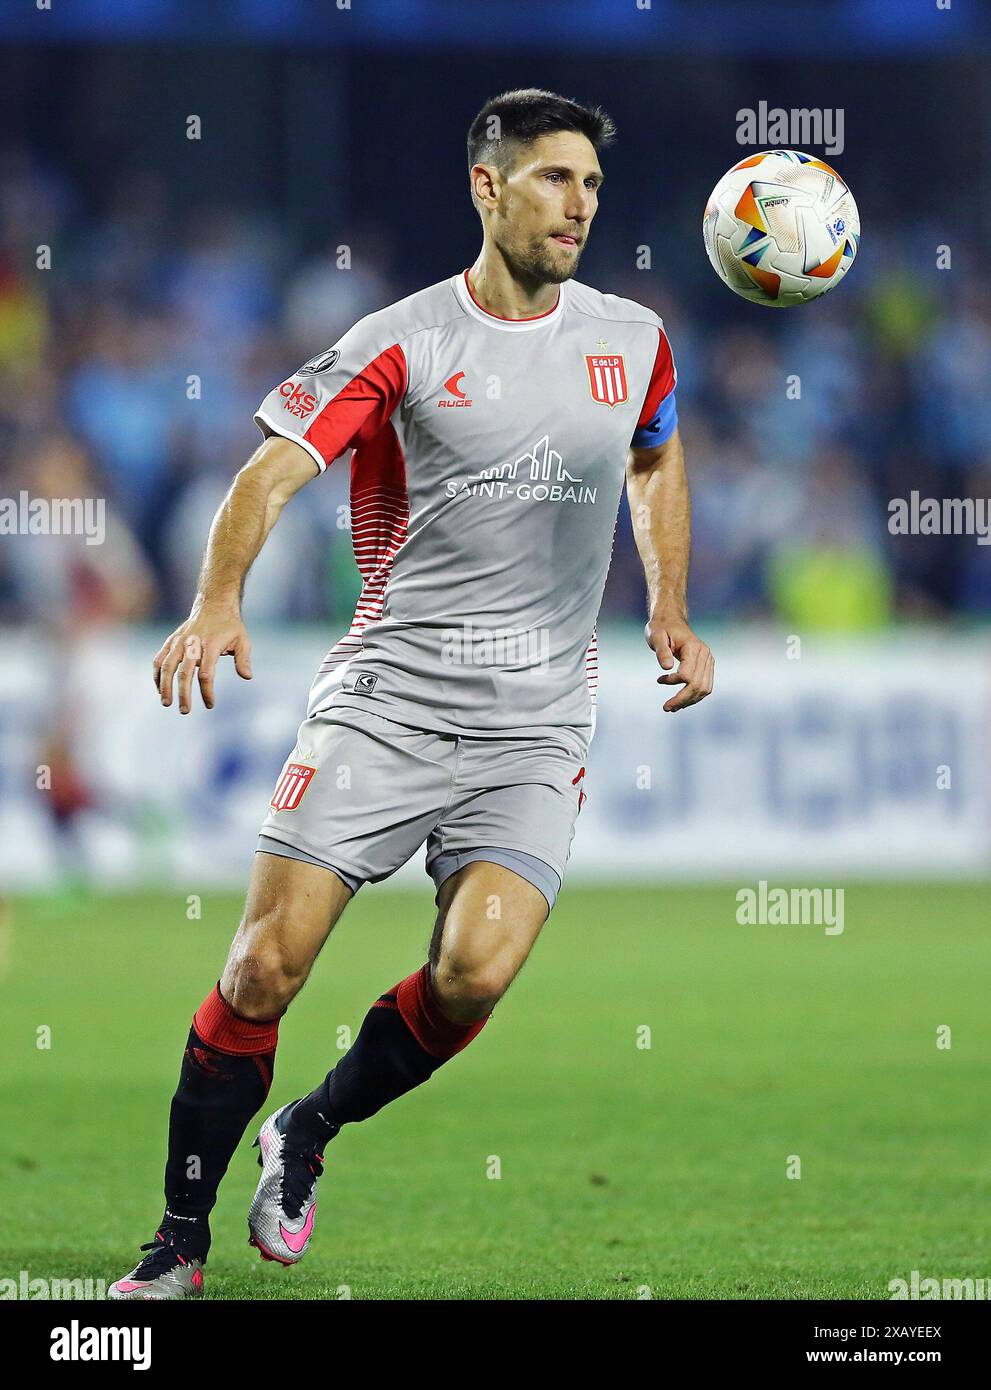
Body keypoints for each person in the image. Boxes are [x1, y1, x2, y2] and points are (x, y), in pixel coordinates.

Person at [109, 87, 713, 1300]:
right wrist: (217, 597)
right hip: (387, 697)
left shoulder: (633, 338)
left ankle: (308, 1131)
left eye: (589, 184)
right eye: (552, 179)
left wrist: (669, 603)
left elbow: (653, 452)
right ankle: (178, 1238)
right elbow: (273, 466)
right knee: (263, 967)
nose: (577, 205)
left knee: (472, 973)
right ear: (487, 187)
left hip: (538, 722)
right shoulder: (404, 339)